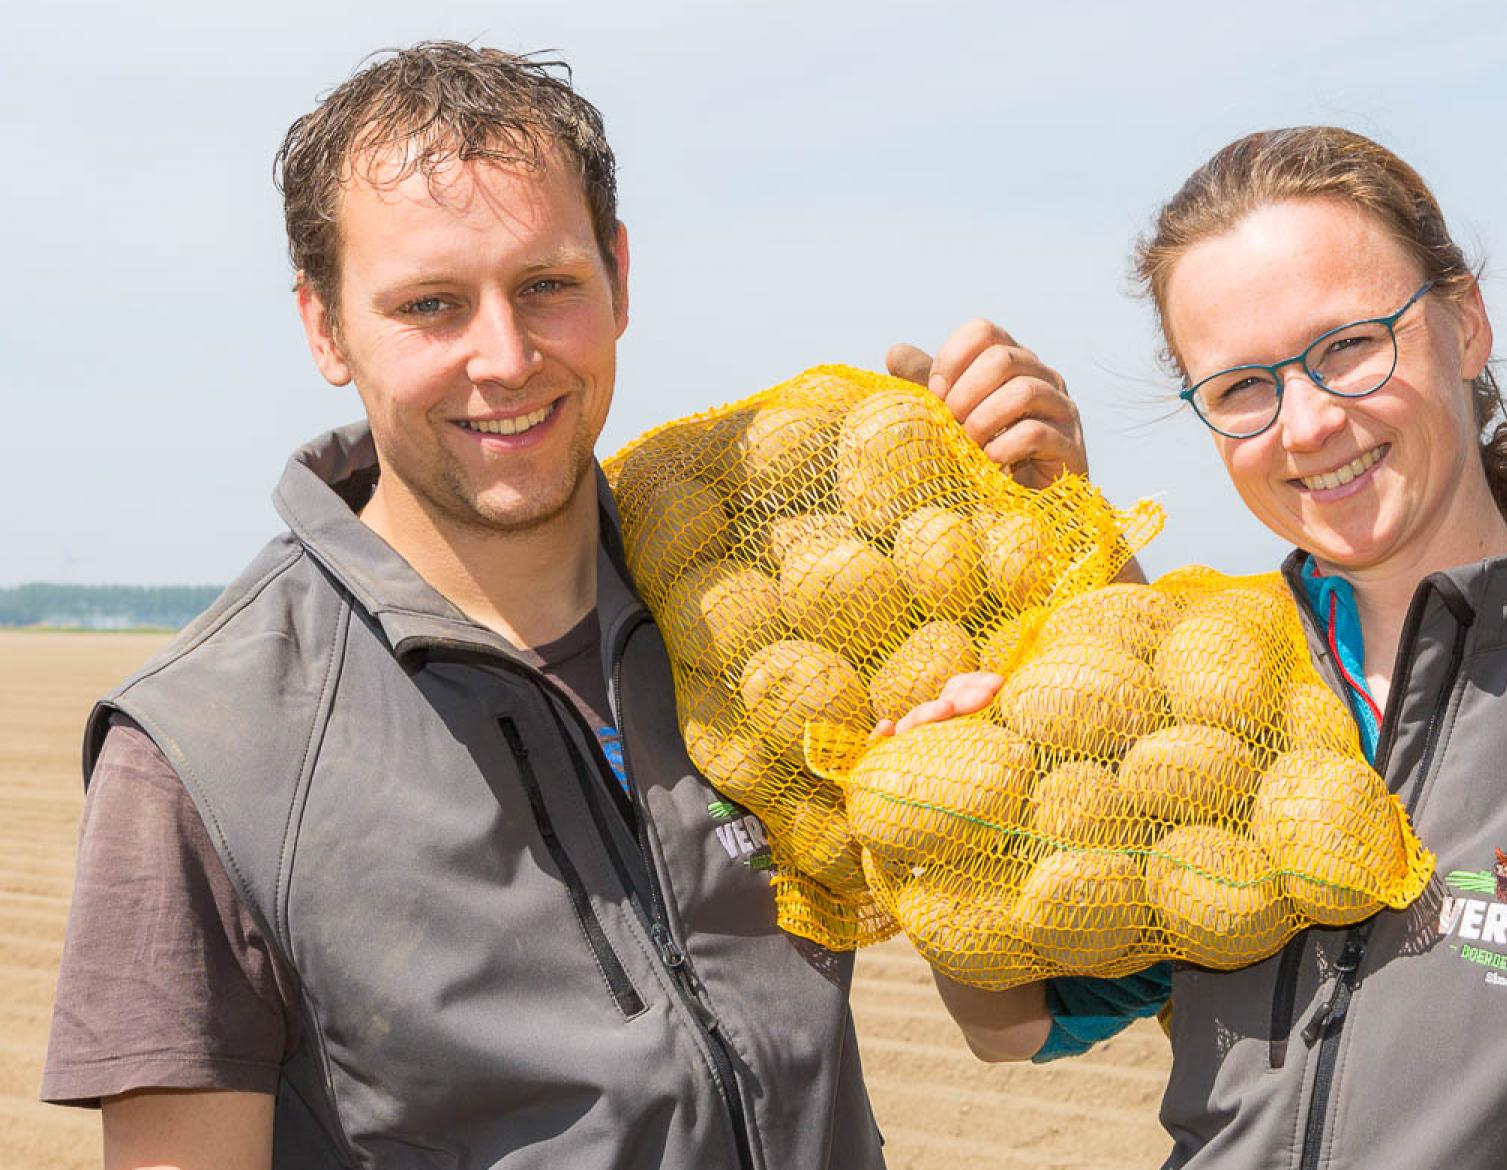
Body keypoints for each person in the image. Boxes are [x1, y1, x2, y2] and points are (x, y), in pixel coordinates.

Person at [35, 41, 1045, 1169]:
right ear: (324, 327)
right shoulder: (205, 748)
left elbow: (1015, 1023)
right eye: (430, 305)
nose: (504, 358)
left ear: (618, 275)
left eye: (546, 285)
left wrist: (1036, 557)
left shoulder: (757, 613)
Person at [885, 127, 1507, 1168]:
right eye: (1242, 386)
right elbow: (1018, 1024)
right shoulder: (1204, 710)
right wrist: (953, 829)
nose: (1308, 425)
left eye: (1348, 346)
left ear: (1466, 323)